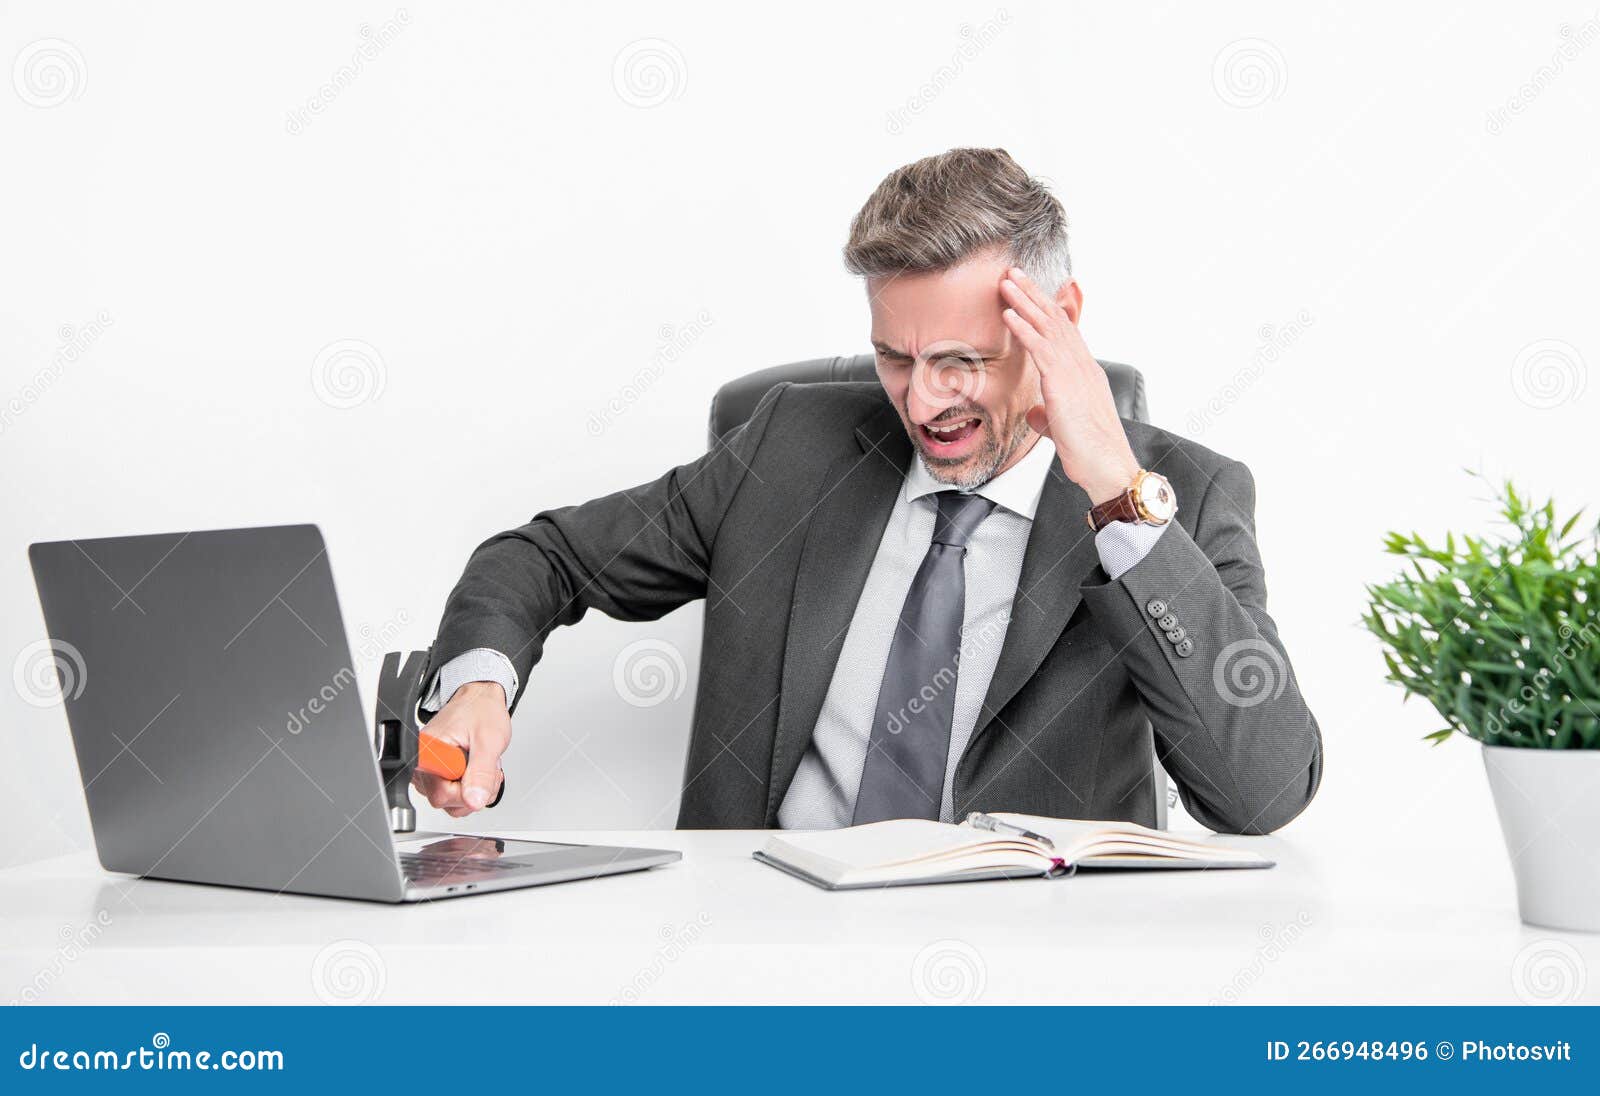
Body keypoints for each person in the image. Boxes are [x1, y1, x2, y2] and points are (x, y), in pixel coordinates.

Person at [413, 147, 1323, 834]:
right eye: (895, 357)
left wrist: (1119, 495)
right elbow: (544, 557)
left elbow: (1264, 793)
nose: (922, 402)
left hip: (1028, 972)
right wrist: (478, 683)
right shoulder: (788, 449)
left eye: (962, 360)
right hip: (761, 950)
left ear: (1061, 323)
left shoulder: (1184, 496)